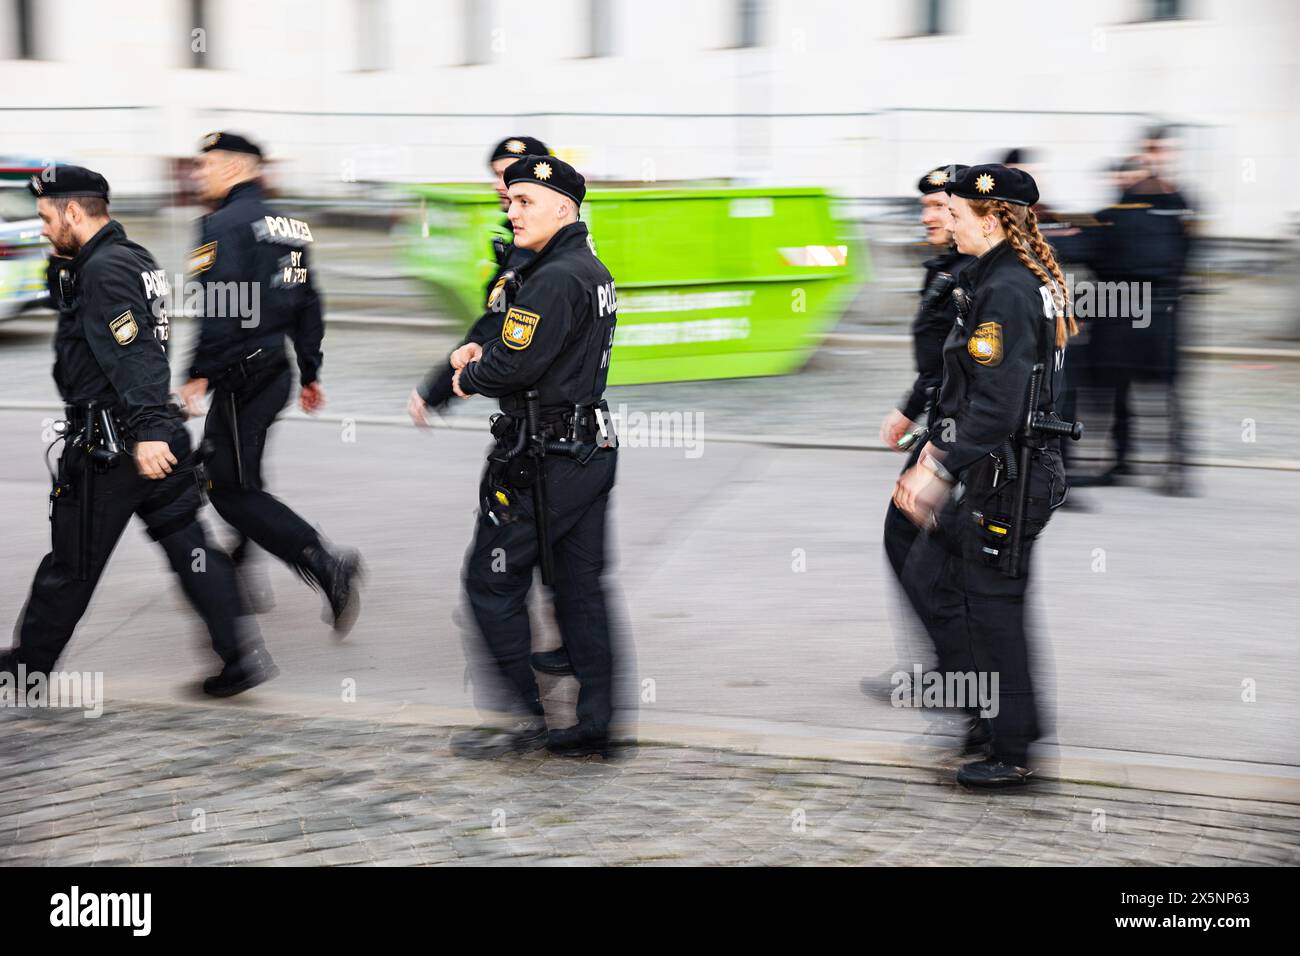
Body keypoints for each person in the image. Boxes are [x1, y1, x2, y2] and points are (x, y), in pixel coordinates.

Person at [0, 165, 275, 696]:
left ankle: (29, 667)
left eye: (44, 218)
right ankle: (240, 657)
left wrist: (146, 431)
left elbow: (138, 354)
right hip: (152, 435)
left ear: (72, 212)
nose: (40, 228)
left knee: (71, 561)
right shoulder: (128, 258)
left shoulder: (105, 269)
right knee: (190, 547)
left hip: (118, 441)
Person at [893, 164, 1076, 787]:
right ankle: (991, 719)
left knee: (993, 607)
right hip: (1006, 466)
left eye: (962, 215)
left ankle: (1013, 748)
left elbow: (996, 404)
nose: (952, 224)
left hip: (1008, 475)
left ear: (994, 218)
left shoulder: (1005, 288)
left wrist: (938, 467)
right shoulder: (1012, 277)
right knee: (936, 573)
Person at [435, 154, 621, 758]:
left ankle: (524, 722)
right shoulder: (587, 268)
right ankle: (596, 726)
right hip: (585, 447)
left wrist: (468, 373)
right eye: (510, 201)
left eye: (524, 202)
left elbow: (517, 359)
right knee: (579, 589)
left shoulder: (555, 276)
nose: (512, 212)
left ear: (563, 208)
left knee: (489, 582)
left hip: (543, 456)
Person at [180, 132, 363, 635]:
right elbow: (309, 302)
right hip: (274, 371)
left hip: (241, 376)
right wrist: (310, 371)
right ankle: (240, 575)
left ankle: (325, 563)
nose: (199, 174)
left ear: (238, 168)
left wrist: (197, 373)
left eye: (206, 165)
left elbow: (221, 307)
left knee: (228, 487)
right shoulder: (289, 225)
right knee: (236, 474)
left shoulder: (220, 225)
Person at [408, 135, 576, 678]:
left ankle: (525, 697)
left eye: (516, 181)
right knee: (557, 550)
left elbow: (502, 331)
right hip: (558, 426)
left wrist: (446, 384)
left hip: (543, 427)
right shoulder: (525, 240)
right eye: (500, 178)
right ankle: (570, 647)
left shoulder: (541, 250)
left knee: (506, 565)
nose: (505, 190)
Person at [864, 164, 977, 725]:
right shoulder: (947, 267)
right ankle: (951, 670)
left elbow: (967, 367)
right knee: (922, 546)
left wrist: (937, 453)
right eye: (926, 207)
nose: (928, 216)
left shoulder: (973, 274)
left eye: (940, 207)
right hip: (941, 422)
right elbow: (940, 360)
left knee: (918, 544)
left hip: (959, 432)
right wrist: (911, 405)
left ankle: (957, 676)